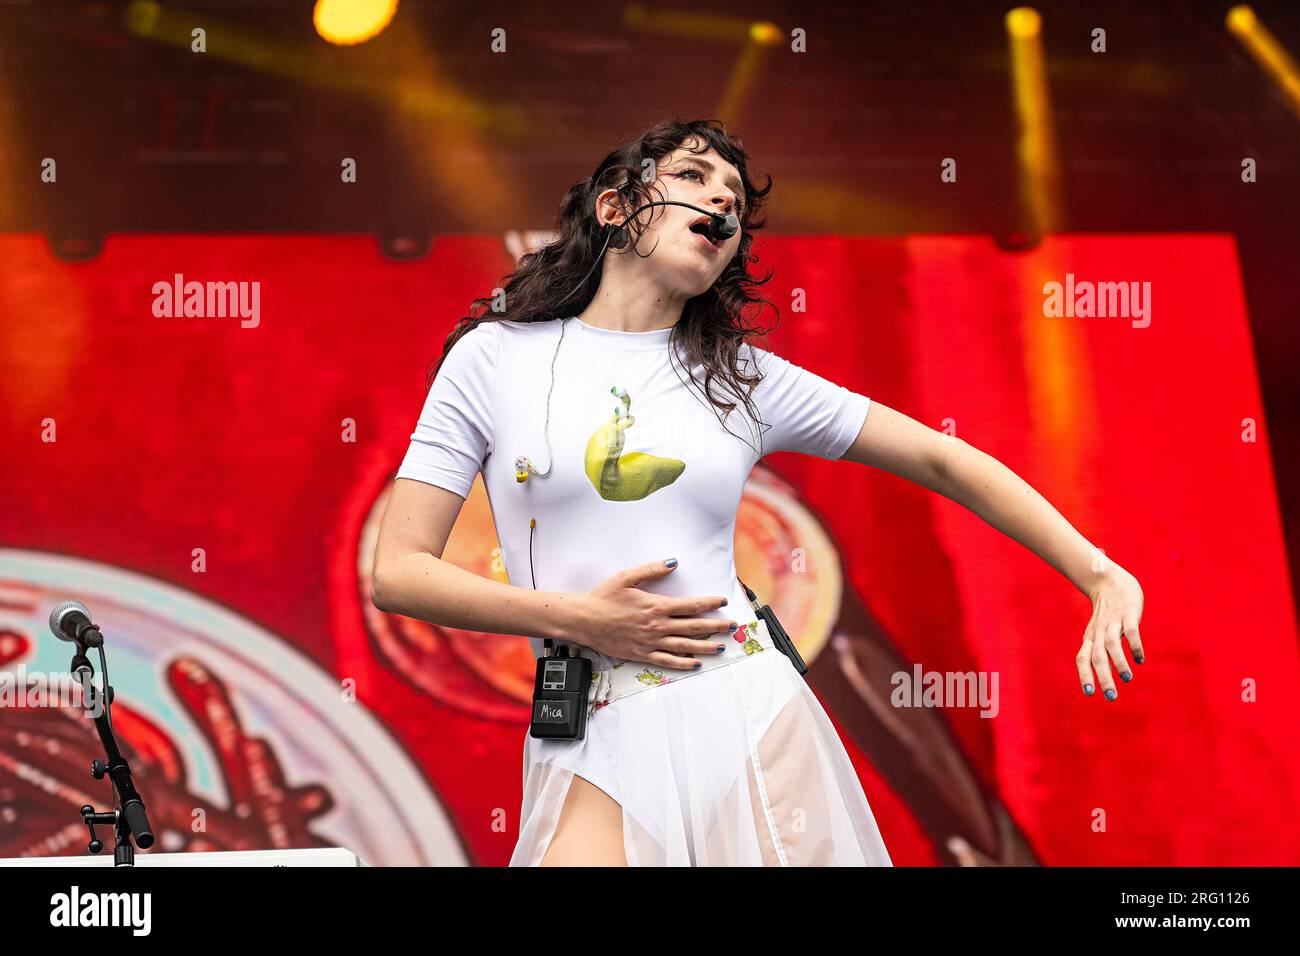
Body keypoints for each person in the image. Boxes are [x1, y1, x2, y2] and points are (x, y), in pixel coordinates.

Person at [369, 118, 1145, 867]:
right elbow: (399, 571)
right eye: (693, 177)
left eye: (735, 200)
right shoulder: (495, 360)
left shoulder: (739, 379)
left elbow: (943, 460)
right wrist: (580, 619)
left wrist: (1098, 571)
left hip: (741, 698)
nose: (721, 203)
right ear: (615, 206)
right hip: (591, 715)